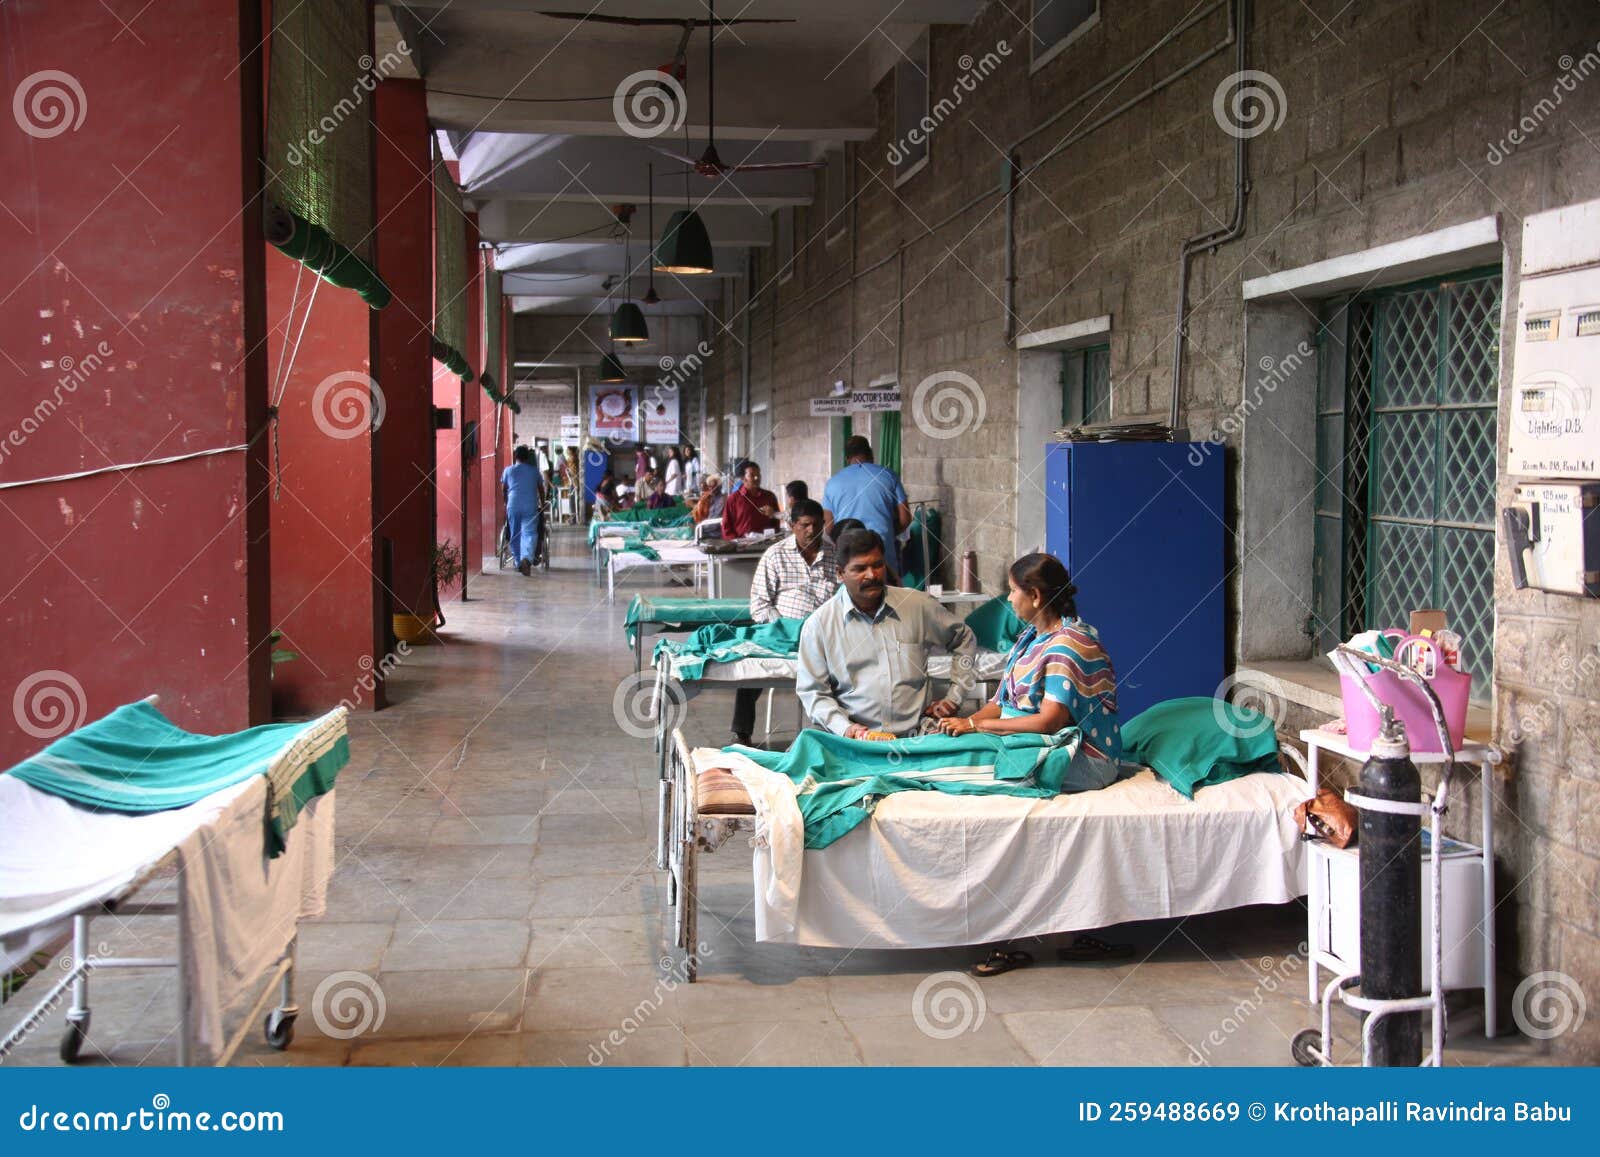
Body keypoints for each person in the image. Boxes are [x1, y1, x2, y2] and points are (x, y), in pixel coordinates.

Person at [938, 552, 1120, 760]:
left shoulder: (1066, 646)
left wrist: (976, 725)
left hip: (1075, 755)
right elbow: (998, 704)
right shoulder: (1029, 639)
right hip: (1023, 739)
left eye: (1013, 590)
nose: (1009, 598)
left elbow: (1049, 723)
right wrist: (964, 725)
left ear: (1034, 596)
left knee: (962, 761)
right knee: (945, 747)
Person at [797, 528, 976, 738]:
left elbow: (964, 638)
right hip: (857, 739)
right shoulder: (819, 625)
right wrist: (848, 730)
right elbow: (814, 693)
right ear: (839, 573)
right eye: (860, 568)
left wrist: (954, 697)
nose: (872, 575)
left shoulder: (917, 606)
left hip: (919, 734)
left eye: (877, 565)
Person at [731, 498, 838, 744]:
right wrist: (786, 628)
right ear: (792, 525)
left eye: (817, 525)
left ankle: (836, 734)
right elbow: (759, 605)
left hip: (824, 636)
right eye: (805, 525)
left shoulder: (834, 555)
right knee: (750, 669)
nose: (812, 531)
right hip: (781, 633)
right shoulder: (775, 556)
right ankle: (742, 733)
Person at [822, 435, 911, 574]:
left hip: (849, 552)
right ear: (870, 453)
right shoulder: (888, 475)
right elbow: (905, 518)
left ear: (847, 459)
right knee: (887, 592)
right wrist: (888, 532)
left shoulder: (833, 482)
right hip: (882, 550)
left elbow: (829, 528)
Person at [501, 445, 544, 576]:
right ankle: (527, 558)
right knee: (530, 533)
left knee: (515, 533)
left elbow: (504, 489)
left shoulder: (508, 470)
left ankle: (518, 561)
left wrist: (506, 502)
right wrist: (542, 504)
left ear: (515, 456)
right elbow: (541, 489)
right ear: (527, 457)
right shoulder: (534, 471)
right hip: (530, 505)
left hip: (513, 505)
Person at [720, 460, 780, 539]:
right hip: (742, 546)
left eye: (758, 475)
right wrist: (736, 543)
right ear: (743, 478)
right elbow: (726, 526)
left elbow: (776, 522)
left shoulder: (769, 496)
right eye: (752, 475)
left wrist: (774, 514)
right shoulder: (733, 499)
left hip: (766, 544)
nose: (757, 478)